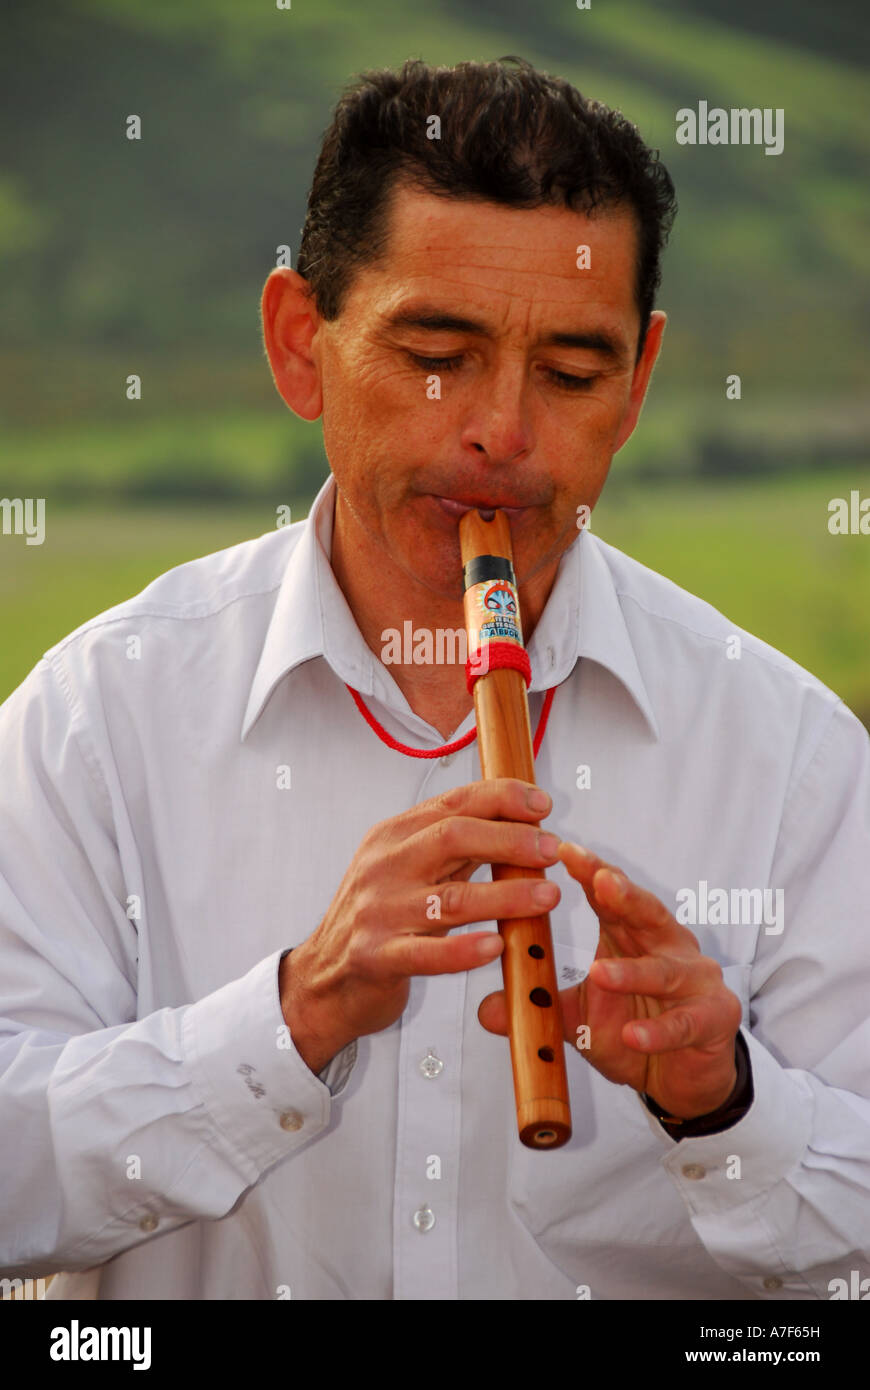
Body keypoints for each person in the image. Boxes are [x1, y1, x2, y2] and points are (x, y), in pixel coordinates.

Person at [1, 57, 868, 1302]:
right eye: (435, 353)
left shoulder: (790, 751)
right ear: (302, 345)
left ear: (638, 386)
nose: (503, 434)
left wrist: (727, 1101)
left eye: (572, 375)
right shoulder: (99, 716)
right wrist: (290, 1019)